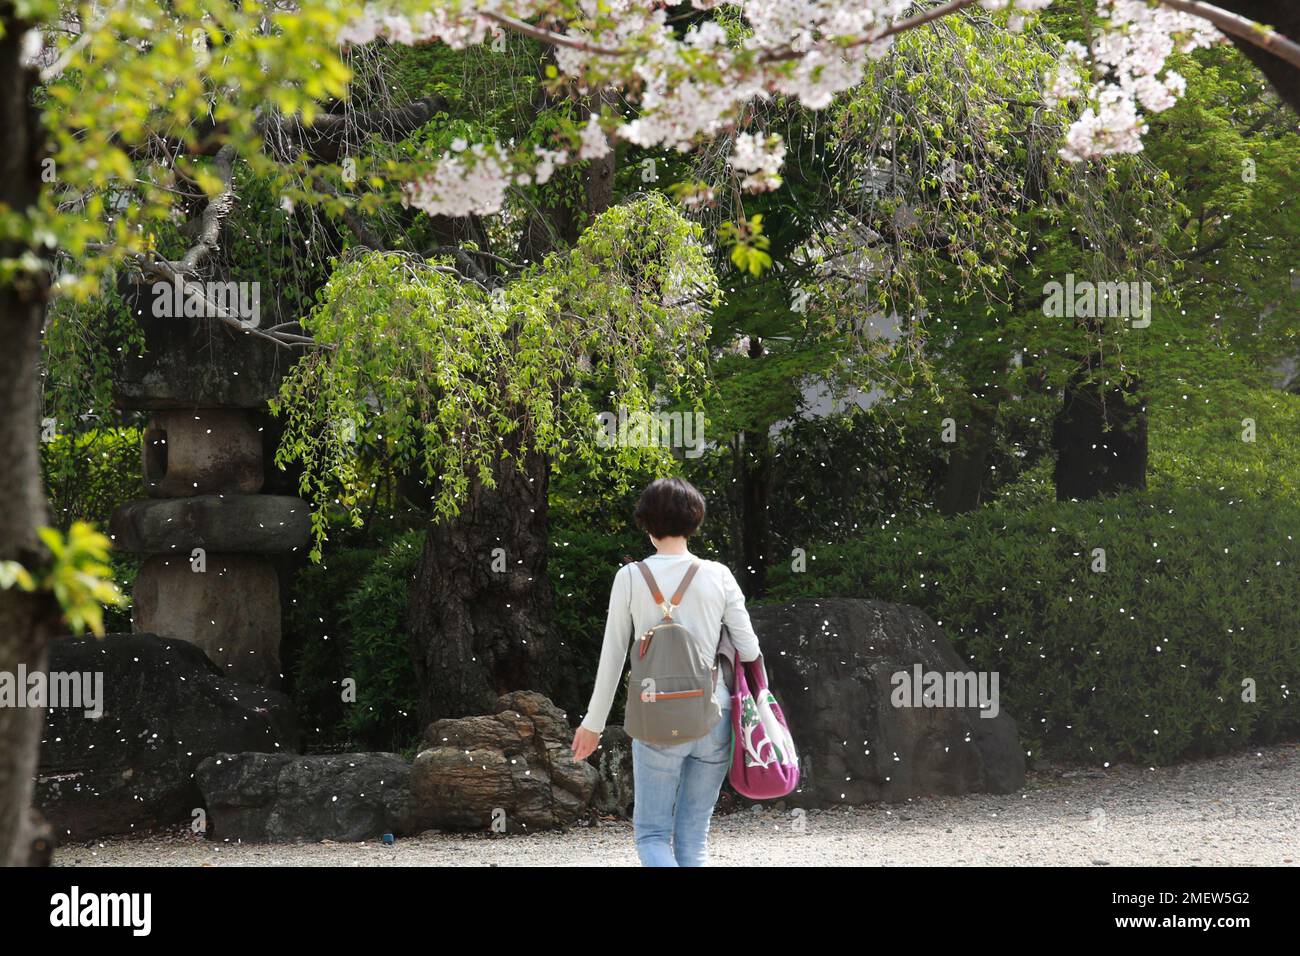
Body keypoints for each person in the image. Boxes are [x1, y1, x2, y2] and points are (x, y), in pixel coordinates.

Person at [570, 476, 762, 866]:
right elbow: (750, 648)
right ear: (694, 520)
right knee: (693, 841)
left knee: (653, 836)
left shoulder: (630, 577)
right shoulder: (718, 574)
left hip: (655, 716)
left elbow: (612, 656)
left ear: (647, 522)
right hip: (714, 714)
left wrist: (592, 725)